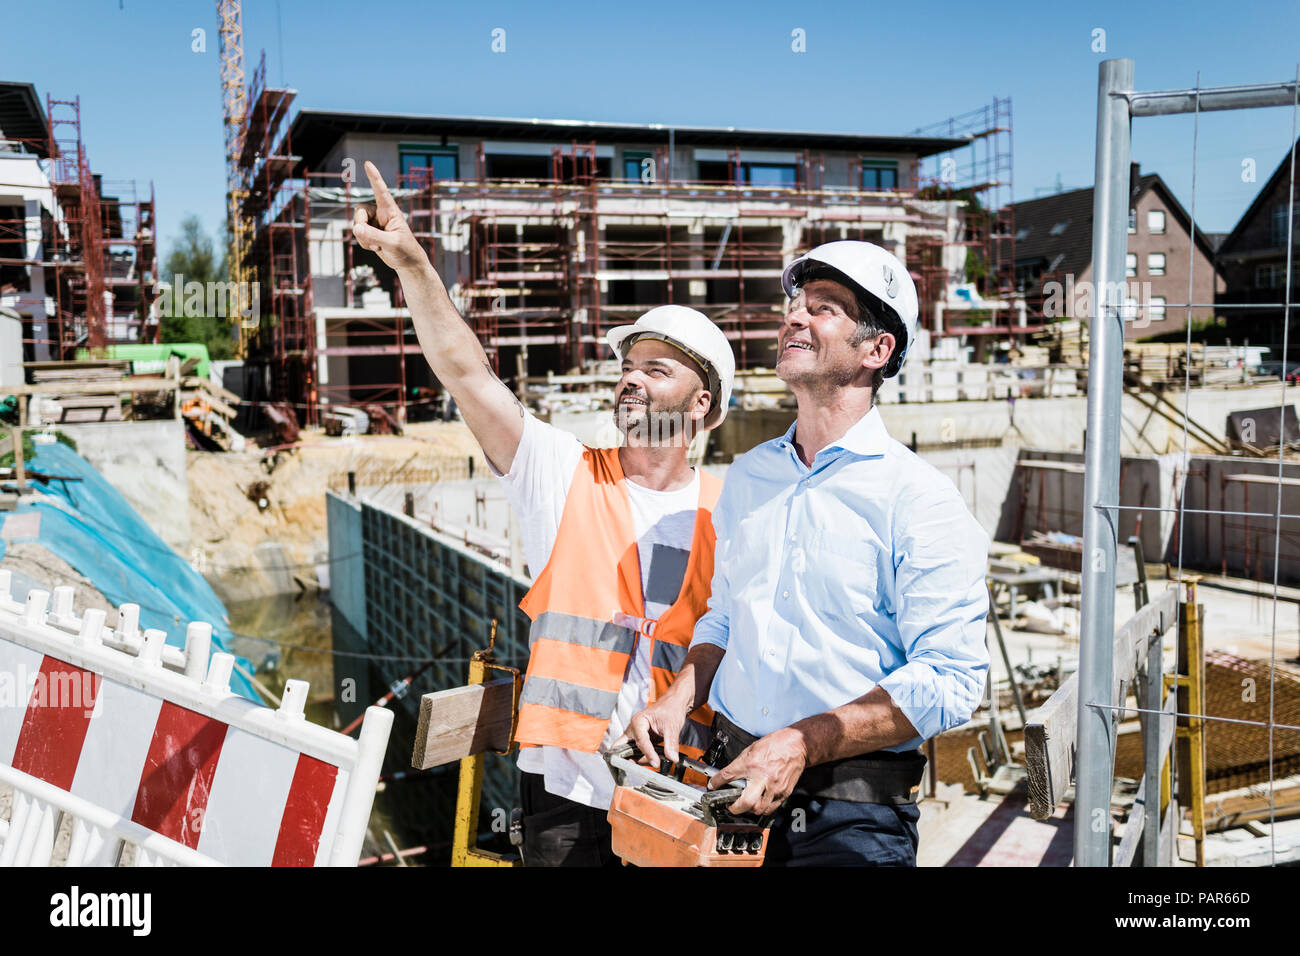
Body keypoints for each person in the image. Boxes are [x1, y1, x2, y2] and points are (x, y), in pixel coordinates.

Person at [351, 161, 736, 867]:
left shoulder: (729, 511)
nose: (631, 378)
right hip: (565, 799)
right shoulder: (561, 473)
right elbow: (465, 371)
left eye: (656, 369)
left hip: (676, 795)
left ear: (701, 404)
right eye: (628, 365)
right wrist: (412, 265)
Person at [624, 241, 990, 866]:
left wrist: (802, 742)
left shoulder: (920, 499)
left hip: (850, 822)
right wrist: (680, 693)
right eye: (794, 304)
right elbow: (725, 614)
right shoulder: (749, 476)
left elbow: (951, 681)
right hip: (731, 794)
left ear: (877, 351)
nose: (794, 317)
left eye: (824, 308)